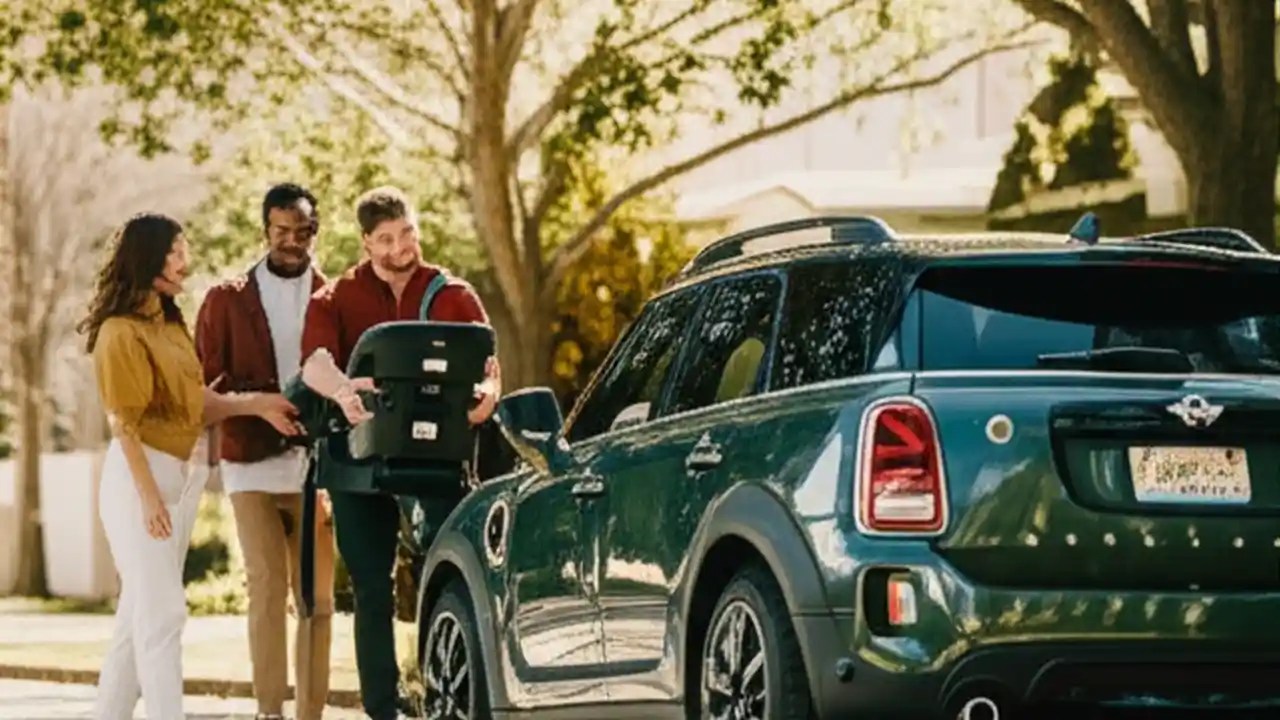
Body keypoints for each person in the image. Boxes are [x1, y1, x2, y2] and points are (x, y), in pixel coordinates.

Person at [81, 213, 303, 720]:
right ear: (149, 258)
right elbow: (125, 422)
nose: (186, 262)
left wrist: (259, 404)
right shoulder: (119, 333)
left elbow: (195, 404)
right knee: (163, 615)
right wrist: (149, 497)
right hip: (141, 480)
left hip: (176, 479)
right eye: (176, 252)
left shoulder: (169, 323)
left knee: (136, 620)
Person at [299, 186, 500, 720]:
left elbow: (488, 375)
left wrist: (486, 402)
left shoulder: (454, 295)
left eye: (406, 232)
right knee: (371, 587)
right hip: (355, 462)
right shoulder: (335, 297)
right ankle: (383, 707)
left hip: (436, 462)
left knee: (448, 574)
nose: (400, 246)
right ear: (366, 243)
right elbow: (314, 363)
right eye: (386, 239)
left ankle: (446, 694)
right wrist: (343, 389)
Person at [194, 184, 334, 720]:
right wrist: (259, 407)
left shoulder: (331, 296)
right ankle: (270, 712)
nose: (291, 243)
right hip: (248, 464)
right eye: (281, 232)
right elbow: (201, 397)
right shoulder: (226, 299)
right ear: (265, 231)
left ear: (314, 232)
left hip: (317, 468)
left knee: (318, 602)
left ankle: (311, 714)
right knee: (267, 587)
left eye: (302, 233)